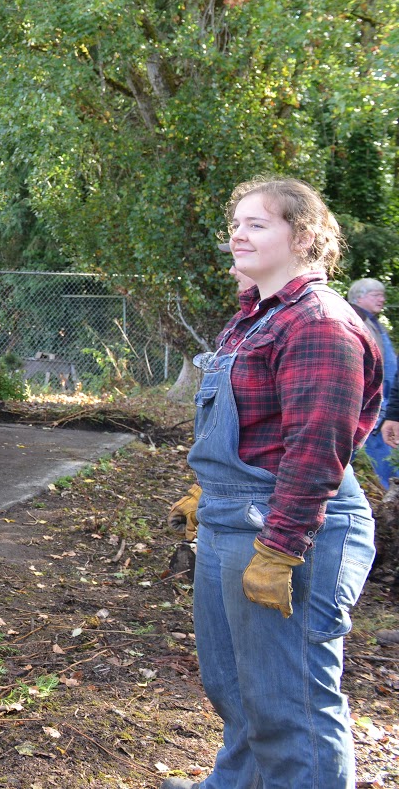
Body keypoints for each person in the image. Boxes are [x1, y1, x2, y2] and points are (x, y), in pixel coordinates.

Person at [161, 176, 381, 789]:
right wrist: (208, 490)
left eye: (257, 223)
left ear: (303, 236)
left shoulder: (318, 324)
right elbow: (257, 429)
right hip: (234, 518)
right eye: (236, 222)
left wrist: (281, 549)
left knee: (291, 704)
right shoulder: (254, 319)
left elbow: (315, 451)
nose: (238, 233)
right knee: (234, 687)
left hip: (291, 527)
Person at [348, 278, 396, 488]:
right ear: (359, 297)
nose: (382, 299)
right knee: (378, 445)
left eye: (382, 295)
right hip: (372, 395)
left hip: (387, 394)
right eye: (376, 295)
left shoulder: (374, 321)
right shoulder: (356, 317)